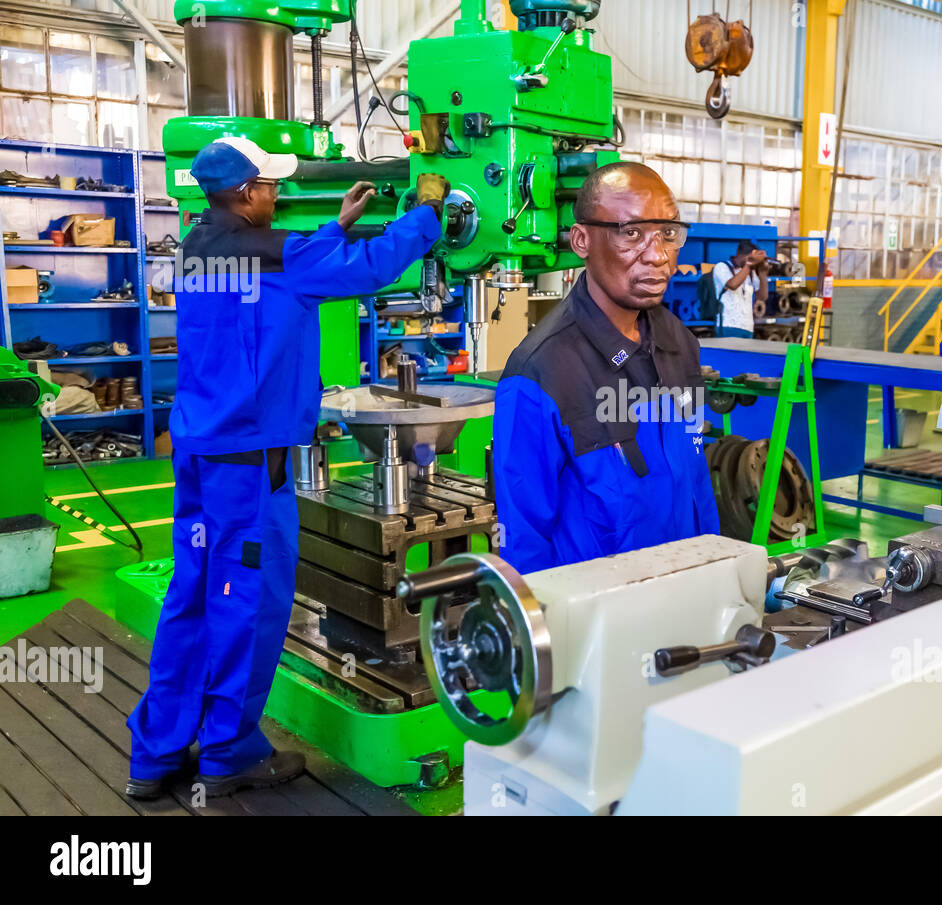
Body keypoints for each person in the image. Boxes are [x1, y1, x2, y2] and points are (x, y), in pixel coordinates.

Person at [126, 136, 449, 799]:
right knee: (249, 602)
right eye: (270, 186)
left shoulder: (192, 250)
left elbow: (275, 283)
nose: (276, 195)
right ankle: (227, 753)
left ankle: (155, 753)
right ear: (245, 193)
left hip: (199, 458)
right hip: (252, 468)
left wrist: (336, 226)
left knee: (191, 598)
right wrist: (426, 209)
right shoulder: (285, 258)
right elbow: (374, 269)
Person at [492, 162, 720, 574]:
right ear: (582, 240)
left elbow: (694, 478)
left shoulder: (678, 343)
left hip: (688, 594)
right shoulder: (540, 373)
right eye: (631, 233)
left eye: (668, 234)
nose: (658, 256)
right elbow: (524, 541)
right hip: (599, 616)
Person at [713, 239, 770, 338]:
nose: (751, 262)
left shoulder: (750, 272)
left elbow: (762, 296)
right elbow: (732, 285)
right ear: (739, 254)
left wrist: (762, 274)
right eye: (748, 258)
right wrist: (749, 265)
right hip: (728, 326)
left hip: (747, 327)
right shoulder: (721, 267)